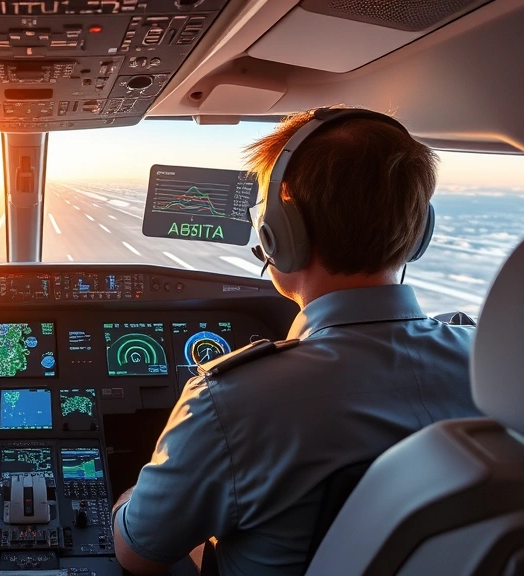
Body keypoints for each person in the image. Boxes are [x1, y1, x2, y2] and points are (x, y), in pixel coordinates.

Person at [111, 108, 482, 576]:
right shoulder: (497, 370)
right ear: (419, 232)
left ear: (280, 233)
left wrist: (128, 494)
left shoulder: (232, 401)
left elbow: (139, 554)